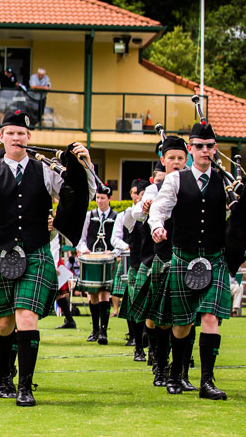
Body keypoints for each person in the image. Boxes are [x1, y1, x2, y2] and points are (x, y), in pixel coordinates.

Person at [0, 108, 94, 406]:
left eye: (21, 133)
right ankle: (5, 374)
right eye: (10, 133)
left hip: (35, 252)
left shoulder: (45, 170)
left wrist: (84, 164)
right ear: (1, 137)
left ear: (29, 137)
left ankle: (25, 385)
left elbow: (80, 193)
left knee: (26, 317)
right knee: (4, 323)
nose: (16, 138)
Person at [149, 118, 246, 400]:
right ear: (191, 148)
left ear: (215, 149)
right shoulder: (176, 179)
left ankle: (207, 382)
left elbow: (242, 220)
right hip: (183, 256)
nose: (205, 150)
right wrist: (157, 226)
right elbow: (159, 209)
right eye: (199, 146)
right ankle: (176, 373)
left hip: (215, 258)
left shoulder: (228, 183)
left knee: (211, 318)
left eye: (210, 146)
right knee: (182, 323)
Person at [128, 145, 185, 387]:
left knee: (185, 318)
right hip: (154, 258)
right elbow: (137, 214)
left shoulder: (190, 186)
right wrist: (145, 206)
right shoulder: (152, 190)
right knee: (156, 318)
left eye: (180, 158)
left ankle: (181, 371)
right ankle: (158, 361)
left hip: (185, 257)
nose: (176, 163)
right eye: (171, 158)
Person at [76, 185, 118, 344]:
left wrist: (113, 252)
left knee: (105, 294)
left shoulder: (116, 216)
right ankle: (94, 330)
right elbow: (82, 238)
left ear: (109, 199)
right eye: (97, 198)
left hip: (107, 261)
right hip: (92, 260)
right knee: (92, 295)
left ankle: (103, 331)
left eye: (102, 198)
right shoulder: (89, 216)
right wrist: (85, 250)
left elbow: (117, 238)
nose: (99, 201)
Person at [119, 178, 152, 360]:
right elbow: (132, 217)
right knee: (138, 309)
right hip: (137, 265)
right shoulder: (130, 214)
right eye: (142, 194)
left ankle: (154, 351)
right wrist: (140, 205)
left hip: (154, 265)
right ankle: (138, 348)